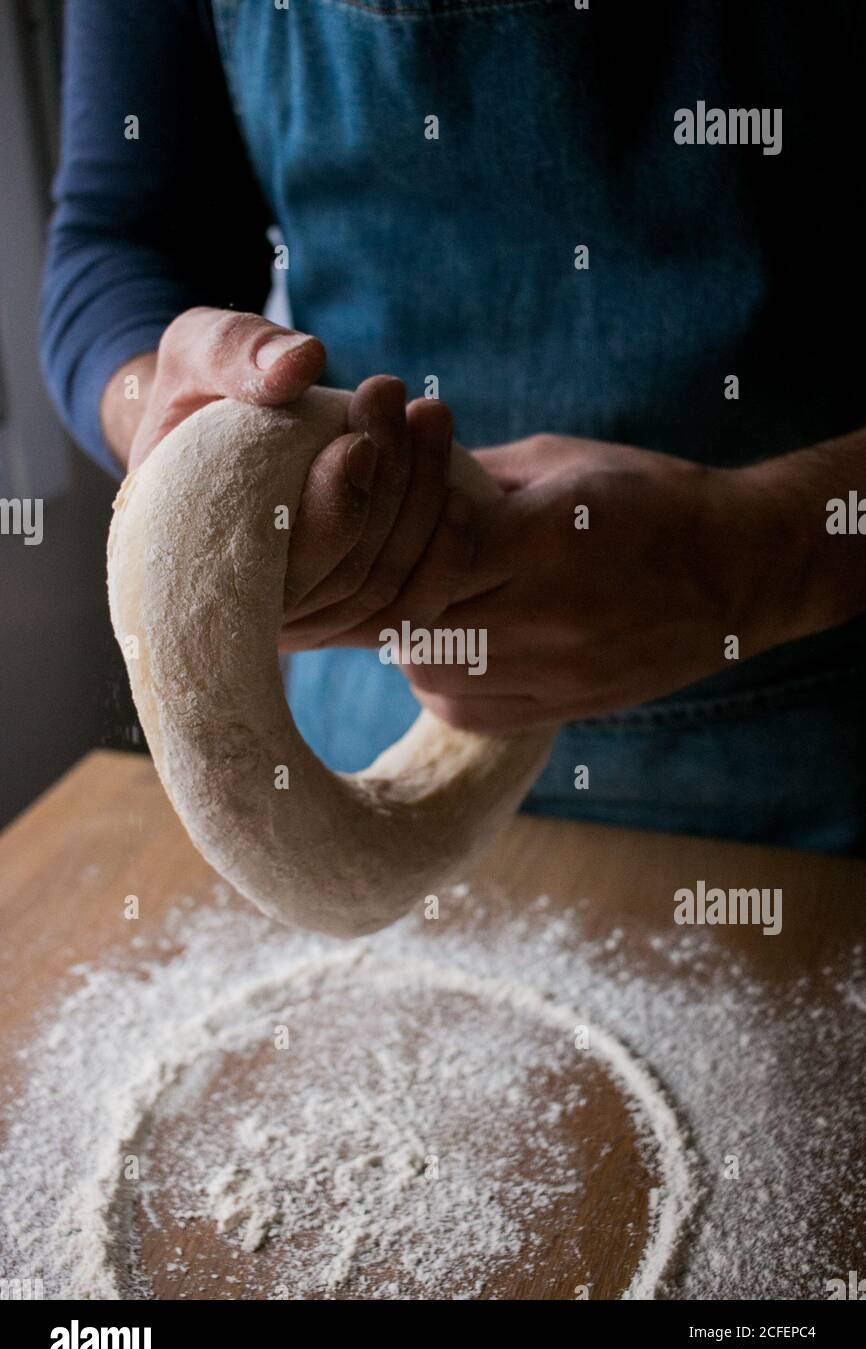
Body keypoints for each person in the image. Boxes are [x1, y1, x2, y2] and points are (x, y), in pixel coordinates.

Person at [42, 1, 866, 852]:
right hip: (361, 678)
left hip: (812, 740)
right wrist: (169, 433)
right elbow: (124, 234)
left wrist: (768, 556)